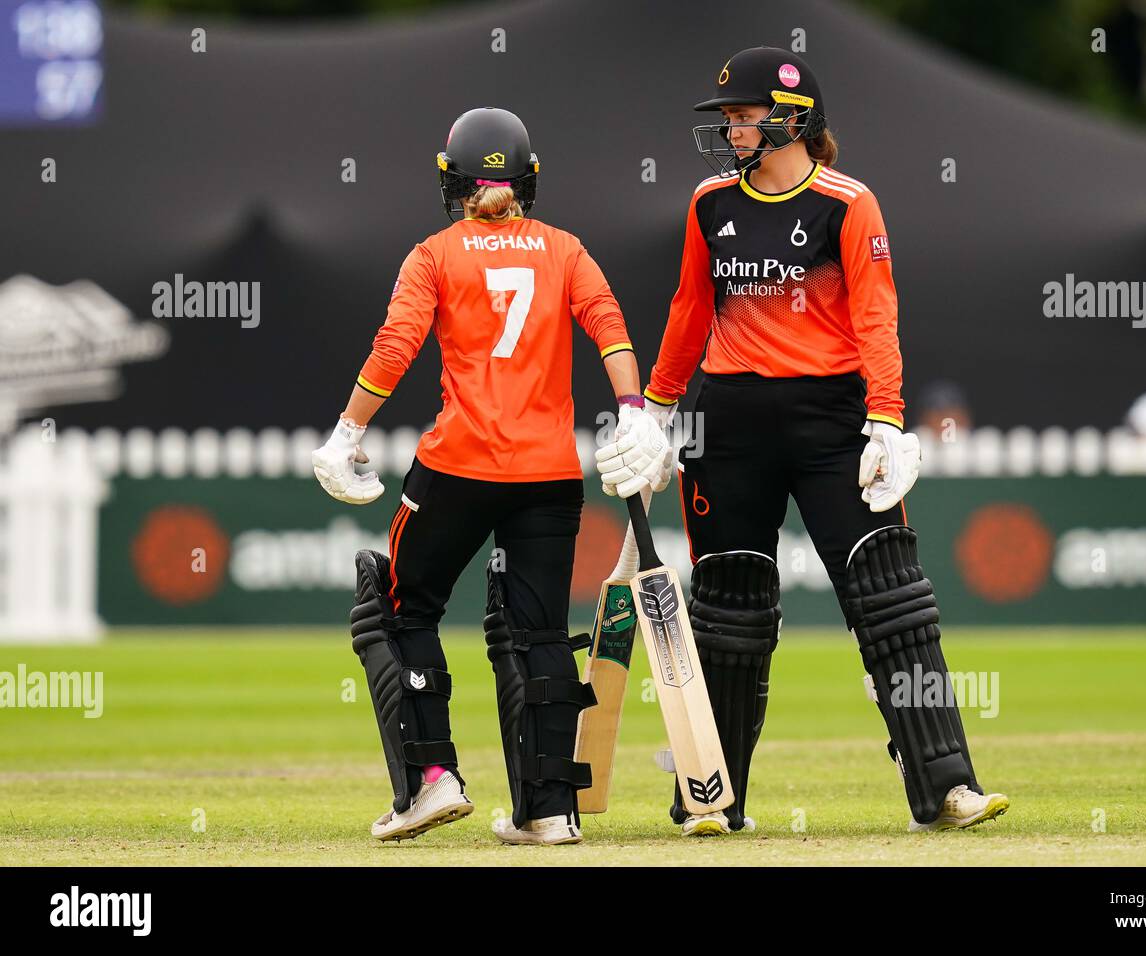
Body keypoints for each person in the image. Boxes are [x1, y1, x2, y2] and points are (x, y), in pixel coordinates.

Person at [599, 47, 1009, 836]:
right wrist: (654, 411)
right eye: (727, 118)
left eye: (743, 116)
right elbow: (690, 309)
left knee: (891, 601)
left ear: (792, 119)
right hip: (730, 425)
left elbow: (876, 314)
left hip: (833, 422)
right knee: (729, 613)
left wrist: (887, 420)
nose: (730, 130)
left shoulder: (847, 205)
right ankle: (708, 797)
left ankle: (947, 786)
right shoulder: (709, 202)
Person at [312, 107, 669, 847]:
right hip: (547, 473)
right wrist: (635, 411)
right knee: (536, 632)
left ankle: (429, 781)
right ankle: (548, 810)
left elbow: (395, 345)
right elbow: (610, 325)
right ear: (528, 178)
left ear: (453, 179)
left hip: (459, 466)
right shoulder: (565, 249)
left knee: (398, 607)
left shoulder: (434, 255)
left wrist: (348, 431)